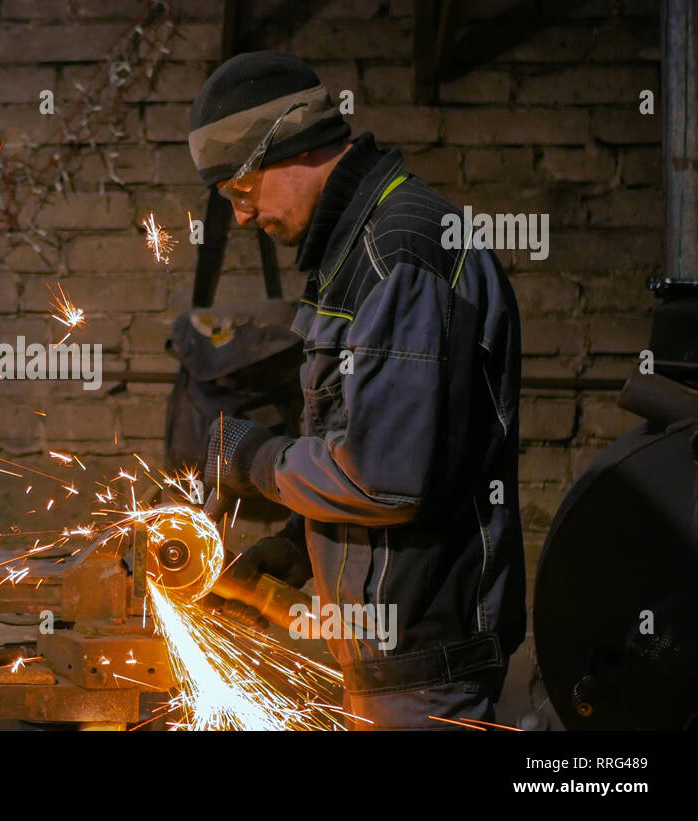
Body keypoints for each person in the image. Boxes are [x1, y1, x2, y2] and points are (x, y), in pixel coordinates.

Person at [187, 51, 525, 730]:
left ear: (290, 147)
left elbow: (384, 478)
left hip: (426, 671)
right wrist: (295, 543)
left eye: (241, 190)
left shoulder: (396, 251)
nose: (245, 216)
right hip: (395, 666)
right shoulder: (357, 249)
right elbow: (373, 437)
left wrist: (251, 456)